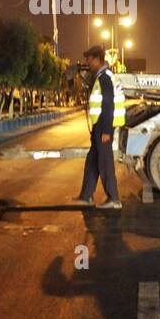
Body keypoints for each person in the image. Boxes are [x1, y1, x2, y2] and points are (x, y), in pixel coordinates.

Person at [70, 45, 126, 209]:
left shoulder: (105, 78)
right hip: (99, 125)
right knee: (93, 160)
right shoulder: (102, 76)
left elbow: (108, 105)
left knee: (104, 162)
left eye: (89, 59)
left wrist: (106, 131)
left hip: (104, 126)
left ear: (97, 59)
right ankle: (86, 195)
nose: (87, 62)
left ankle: (114, 199)